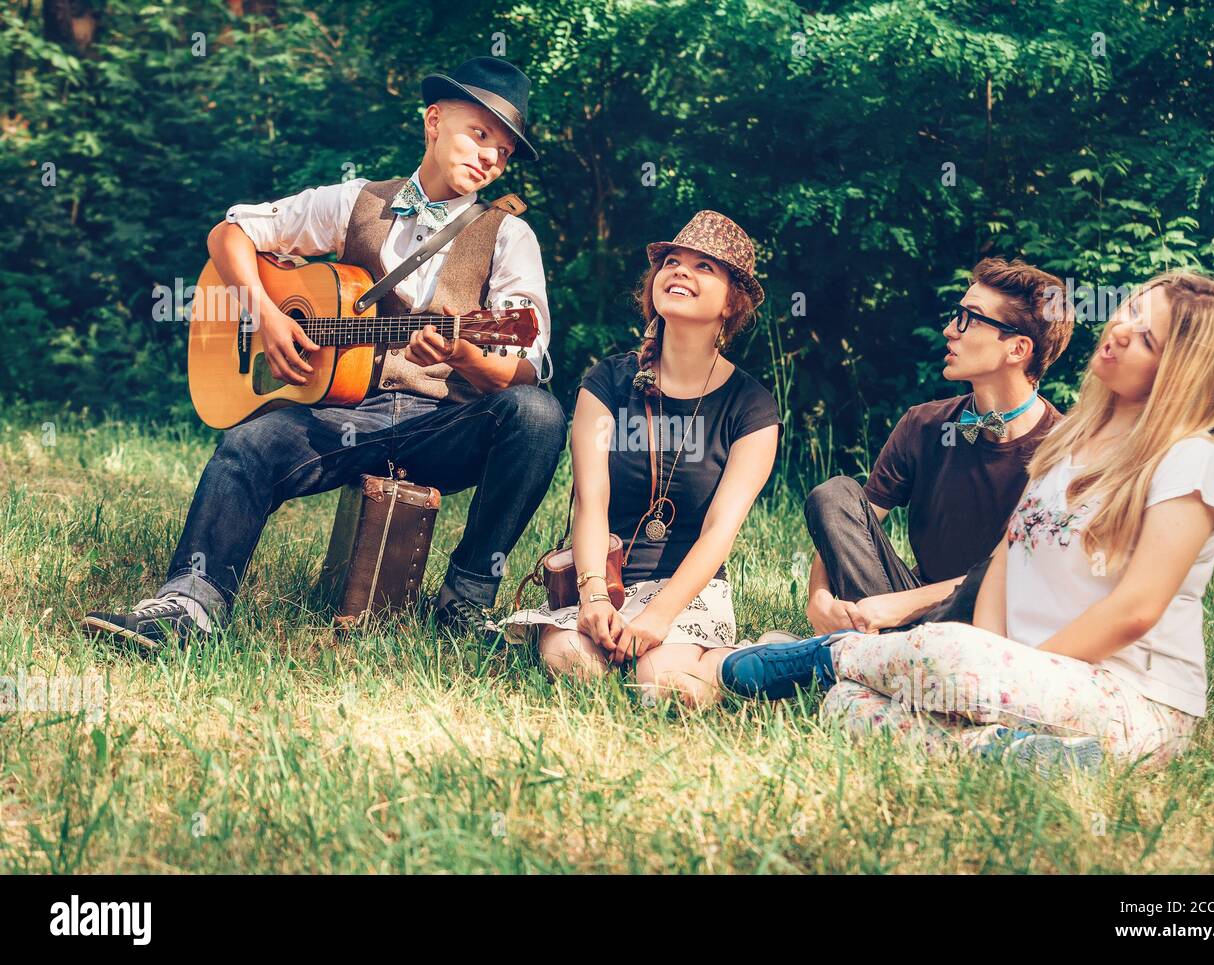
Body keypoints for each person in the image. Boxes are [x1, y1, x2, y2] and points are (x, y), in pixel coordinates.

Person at [82, 57, 566, 650]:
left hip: (443, 425)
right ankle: (189, 605)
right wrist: (265, 313)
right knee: (247, 445)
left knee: (538, 414)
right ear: (434, 121)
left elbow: (525, 363)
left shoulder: (510, 236)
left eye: (505, 149)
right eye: (480, 133)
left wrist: (465, 353)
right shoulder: (354, 202)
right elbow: (231, 232)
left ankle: (464, 599)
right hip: (342, 411)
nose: (491, 155)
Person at [722, 271, 1214, 771]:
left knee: (947, 652)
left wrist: (1010, 668)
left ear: (1178, 371)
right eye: (1129, 311)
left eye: (1146, 339)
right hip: (1026, 682)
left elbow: (1136, 610)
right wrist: (995, 660)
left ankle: (818, 655)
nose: (1119, 330)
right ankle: (1018, 754)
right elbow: (1006, 559)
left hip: (1132, 698)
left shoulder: (1188, 458)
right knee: (848, 705)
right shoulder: (1070, 444)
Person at [498, 211, 781, 708]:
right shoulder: (606, 382)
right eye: (672, 261)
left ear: (733, 302)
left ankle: (747, 656)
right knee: (574, 662)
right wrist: (593, 598)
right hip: (604, 578)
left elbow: (720, 532)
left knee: (667, 685)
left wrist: (659, 616)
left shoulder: (752, 407)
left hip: (686, 588)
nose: (680, 272)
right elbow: (592, 504)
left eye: (704, 267)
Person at [801, 258, 1075, 637]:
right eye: (954, 316)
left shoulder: (1065, 450)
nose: (950, 330)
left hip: (996, 624)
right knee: (833, 495)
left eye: (969, 319)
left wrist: (897, 607)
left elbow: (1021, 575)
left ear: (1017, 349)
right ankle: (890, 652)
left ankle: (874, 654)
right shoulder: (924, 424)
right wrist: (820, 596)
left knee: (1002, 572)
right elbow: (848, 526)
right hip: (907, 611)